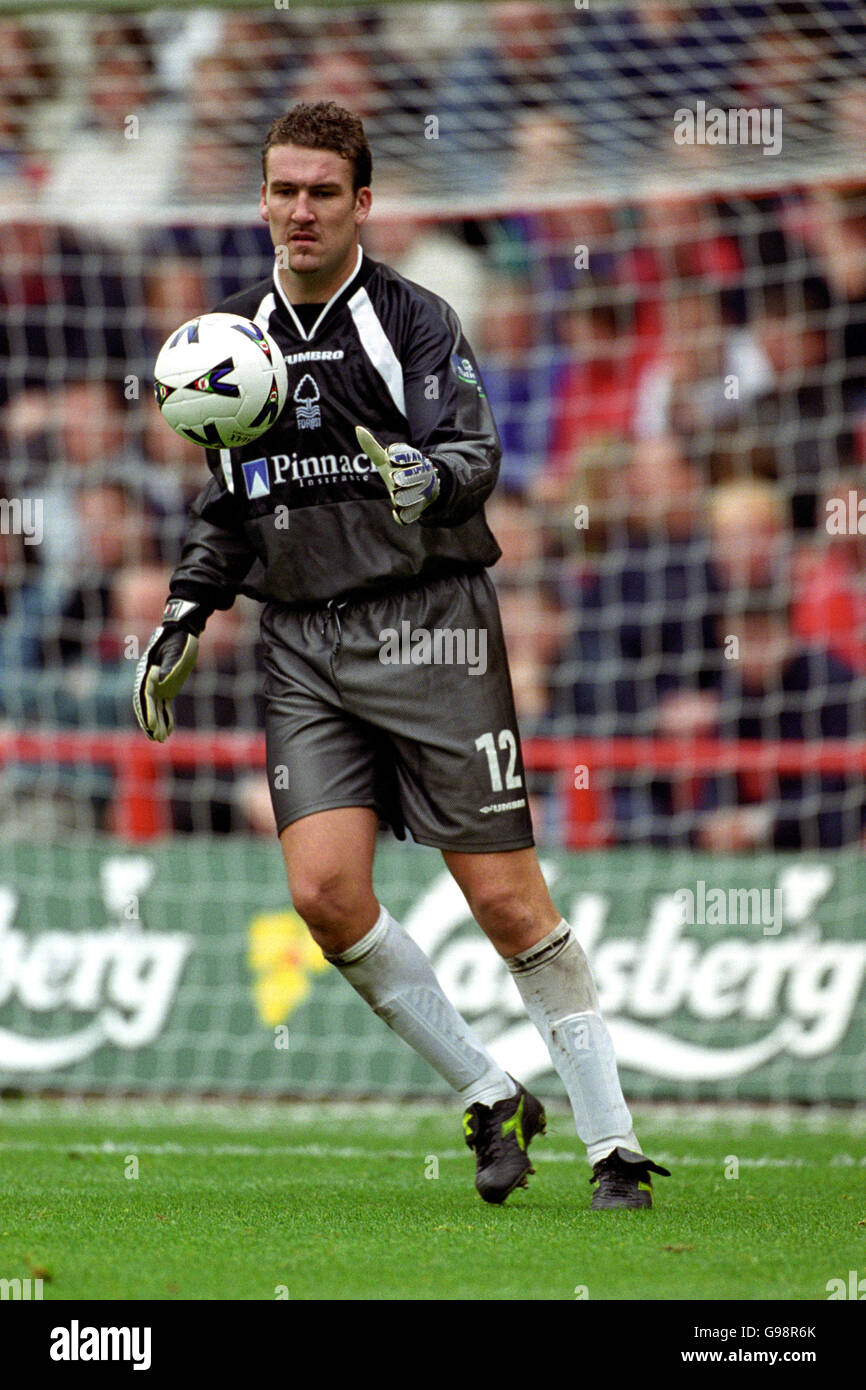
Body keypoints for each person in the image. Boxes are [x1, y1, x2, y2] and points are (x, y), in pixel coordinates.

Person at [133, 101, 669, 1210]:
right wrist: (186, 610)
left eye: (322, 191)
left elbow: (473, 448)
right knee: (324, 894)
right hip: (302, 644)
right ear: (262, 198)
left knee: (507, 903)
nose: (299, 210)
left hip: (429, 626)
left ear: (362, 203)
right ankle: (487, 1093)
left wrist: (432, 478)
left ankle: (611, 1145)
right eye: (282, 189)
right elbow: (231, 509)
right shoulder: (230, 342)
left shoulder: (414, 319)